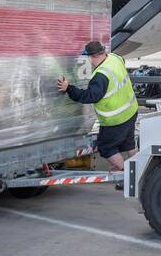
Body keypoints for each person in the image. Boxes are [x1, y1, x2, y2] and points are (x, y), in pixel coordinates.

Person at [56, 40, 139, 171]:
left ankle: (126, 173)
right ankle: (139, 170)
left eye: (88, 58)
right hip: (131, 110)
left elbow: (89, 96)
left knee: (106, 147)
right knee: (128, 143)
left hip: (116, 119)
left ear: (92, 56)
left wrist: (68, 88)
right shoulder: (115, 58)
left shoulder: (101, 76)